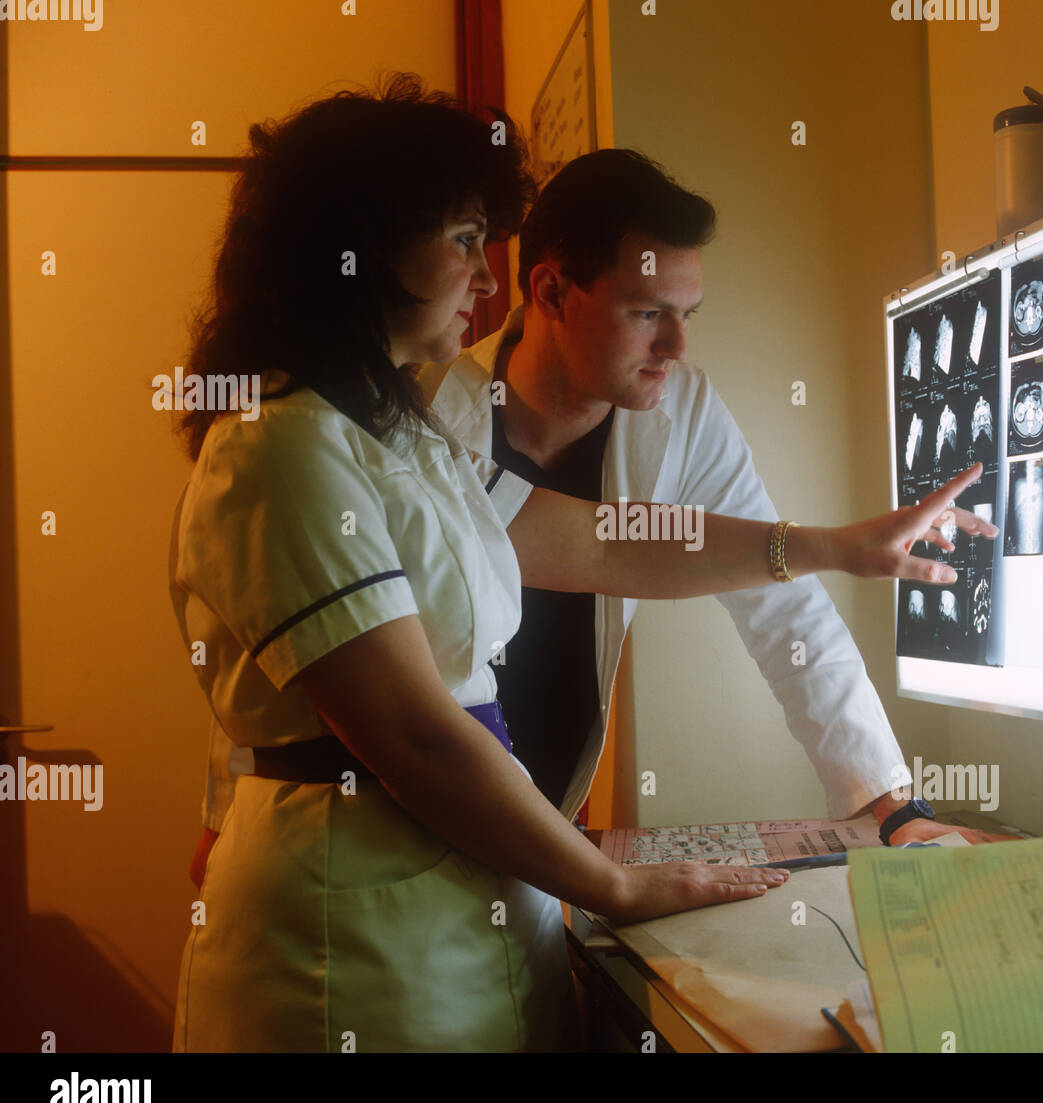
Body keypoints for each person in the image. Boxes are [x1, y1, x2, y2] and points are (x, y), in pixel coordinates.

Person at [170, 77, 997, 1052]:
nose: (486, 275)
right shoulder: (292, 443)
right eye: (467, 237)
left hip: (491, 882)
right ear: (369, 248)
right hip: (356, 922)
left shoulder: (405, 441)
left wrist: (833, 554)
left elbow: (609, 544)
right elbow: (416, 739)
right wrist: (608, 881)